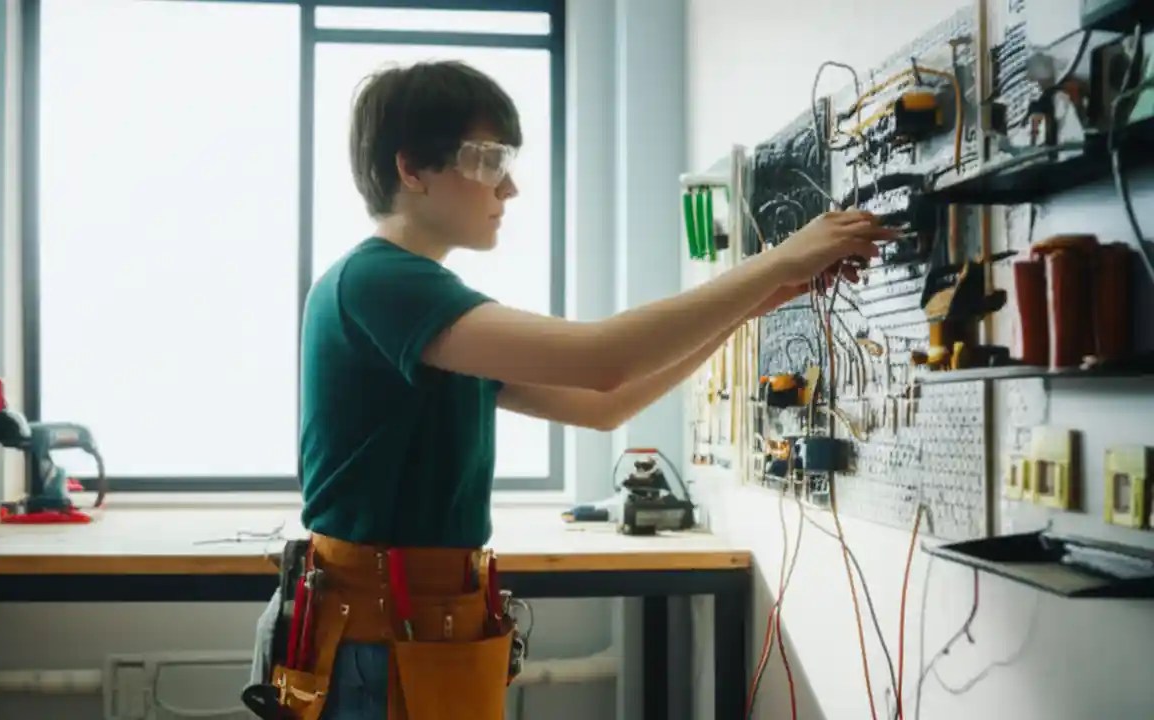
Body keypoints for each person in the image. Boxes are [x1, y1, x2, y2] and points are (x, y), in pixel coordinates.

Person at [286, 60, 889, 720]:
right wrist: (776, 260)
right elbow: (603, 359)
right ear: (411, 170)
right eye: (488, 160)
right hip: (383, 636)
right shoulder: (383, 284)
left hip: (417, 625)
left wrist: (757, 302)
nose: (509, 187)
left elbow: (607, 404)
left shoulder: (416, 304)